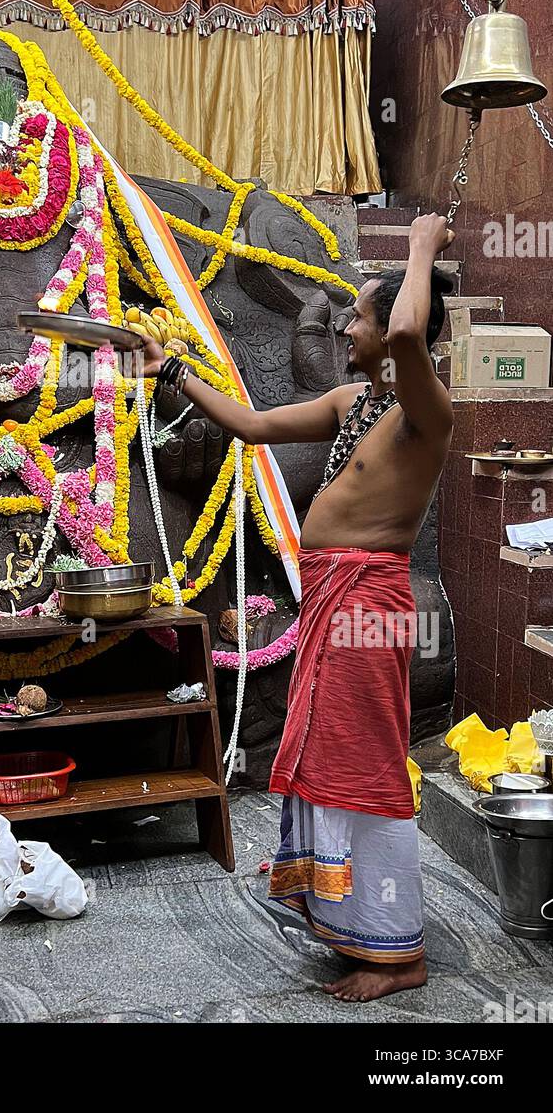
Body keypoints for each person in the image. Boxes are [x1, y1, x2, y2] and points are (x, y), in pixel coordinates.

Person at [143, 212, 455, 1002]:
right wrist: (171, 368)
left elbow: (414, 335)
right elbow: (250, 426)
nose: (346, 325)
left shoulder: (427, 410)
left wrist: (419, 248)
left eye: (359, 313)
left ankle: (398, 952)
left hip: (367, 602)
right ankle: (351, 926)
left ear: (391, 331)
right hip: (330, 600)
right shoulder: (355, 401)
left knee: (367, 765)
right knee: (325, 759)